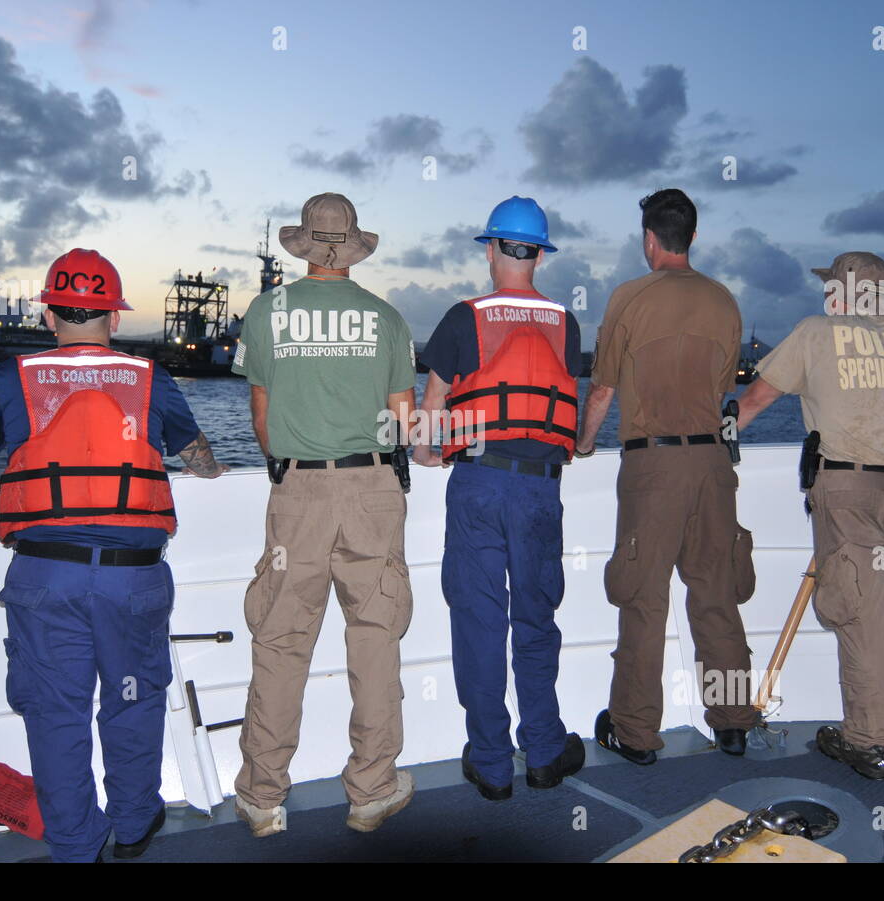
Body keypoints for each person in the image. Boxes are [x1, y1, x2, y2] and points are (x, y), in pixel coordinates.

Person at [0, 248, 228, 862]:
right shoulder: (151, 379)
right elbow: (198, 459)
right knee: (132, 697)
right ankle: (133, 825)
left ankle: (75, 844)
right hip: (134, 580)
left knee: (55, 712)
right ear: (115, 318)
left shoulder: (11, 377)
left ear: (50, 315)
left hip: (45, 576)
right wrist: (214, 468)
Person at [231, 192, 417, 836]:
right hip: (372, 490)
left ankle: (262, 797)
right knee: (375, 637)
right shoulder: (385, 318)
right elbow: (402, 419)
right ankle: (371, 789)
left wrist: (293, 466)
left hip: (296, 495)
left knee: (281, 640)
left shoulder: (264, 313)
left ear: (306, 244)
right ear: (353, 245)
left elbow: (261, 415)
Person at [737, 251, 884, 780]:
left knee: (859, 611)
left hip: (850, 487)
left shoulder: (816, 331)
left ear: (842, 291)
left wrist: (716, 436)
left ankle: (869, 741)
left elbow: (755, 400)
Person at [577, 188, 758, 765]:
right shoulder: (725, 301)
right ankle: (731, 723)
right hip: (712, 465)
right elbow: (723, 387)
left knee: (643, 597)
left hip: (652, 465)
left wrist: (583, 444)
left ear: (649, 240)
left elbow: (603, 387)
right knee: (716, 596)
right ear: (693, 238)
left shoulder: (629, 296)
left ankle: (635, 732)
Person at [414, 196, 586, 800]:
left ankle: (490, 764)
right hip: (540, 492)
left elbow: (433, 409)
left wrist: (427, 452)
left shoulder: (464, 316)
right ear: (538, 254)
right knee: (536, 619)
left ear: (492, 249)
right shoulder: (567, 322)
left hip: (479, 485)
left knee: (479, 620)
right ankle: (542, 751)